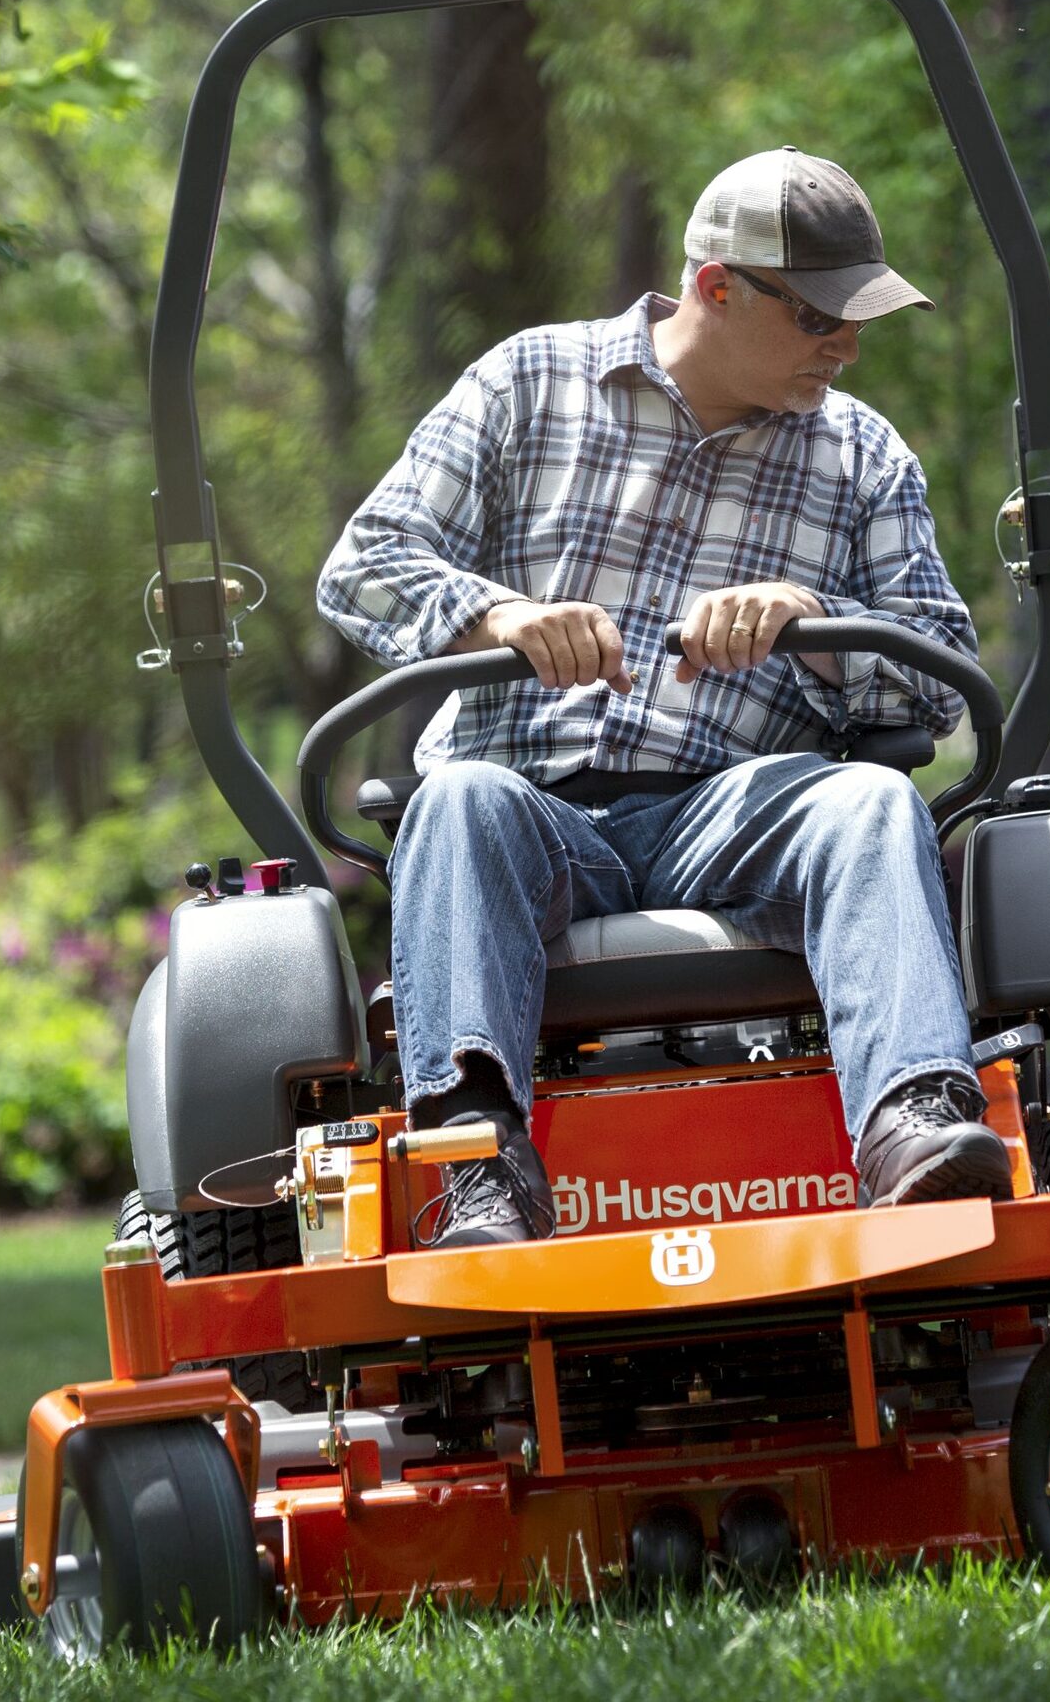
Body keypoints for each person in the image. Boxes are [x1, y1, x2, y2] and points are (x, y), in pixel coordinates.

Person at [316, 147, 1009, 1248]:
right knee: (457, 802)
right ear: (717, 286)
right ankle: (480, 1172)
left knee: (873, 802)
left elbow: (941, 670)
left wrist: (812, 620)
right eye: (820, 316)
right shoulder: (527, 383)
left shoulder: (864, 455)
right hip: (530, 807)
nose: (847, 344)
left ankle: (913, 1124)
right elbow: (362, 566)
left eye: (858, 317)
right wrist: (502, 618)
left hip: (737, 810)